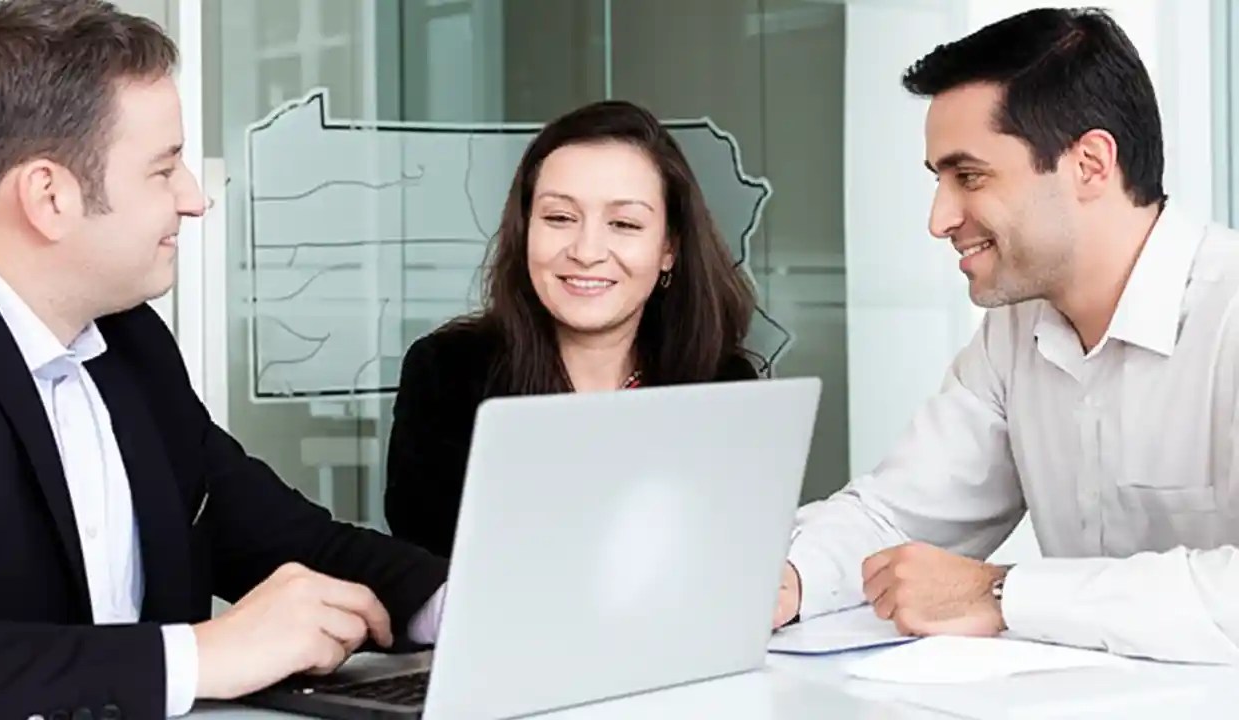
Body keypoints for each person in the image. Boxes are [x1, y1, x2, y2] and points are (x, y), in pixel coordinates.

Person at [0, 1, 450, 717]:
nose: (195, 199)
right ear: (49, 196)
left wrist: (456, 605)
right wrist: (198, 656)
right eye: (164, 170)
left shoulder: (132, 345)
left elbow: (285, 538)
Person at [773, 7, 1239, 665]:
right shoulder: (1014, 335)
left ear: (1089, 164)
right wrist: (786, 580)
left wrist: (1000, 594)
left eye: (968, 177)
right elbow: (896, 516)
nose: (940, 219)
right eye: (938, 180)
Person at [385, 100, 760, 558]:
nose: (586, 250)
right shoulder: (446, 374)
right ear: (525, 231)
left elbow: (735, 554)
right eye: (560, 218)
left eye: (624, 223)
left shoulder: (724, 383)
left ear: (669, 249)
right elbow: (430, 562)